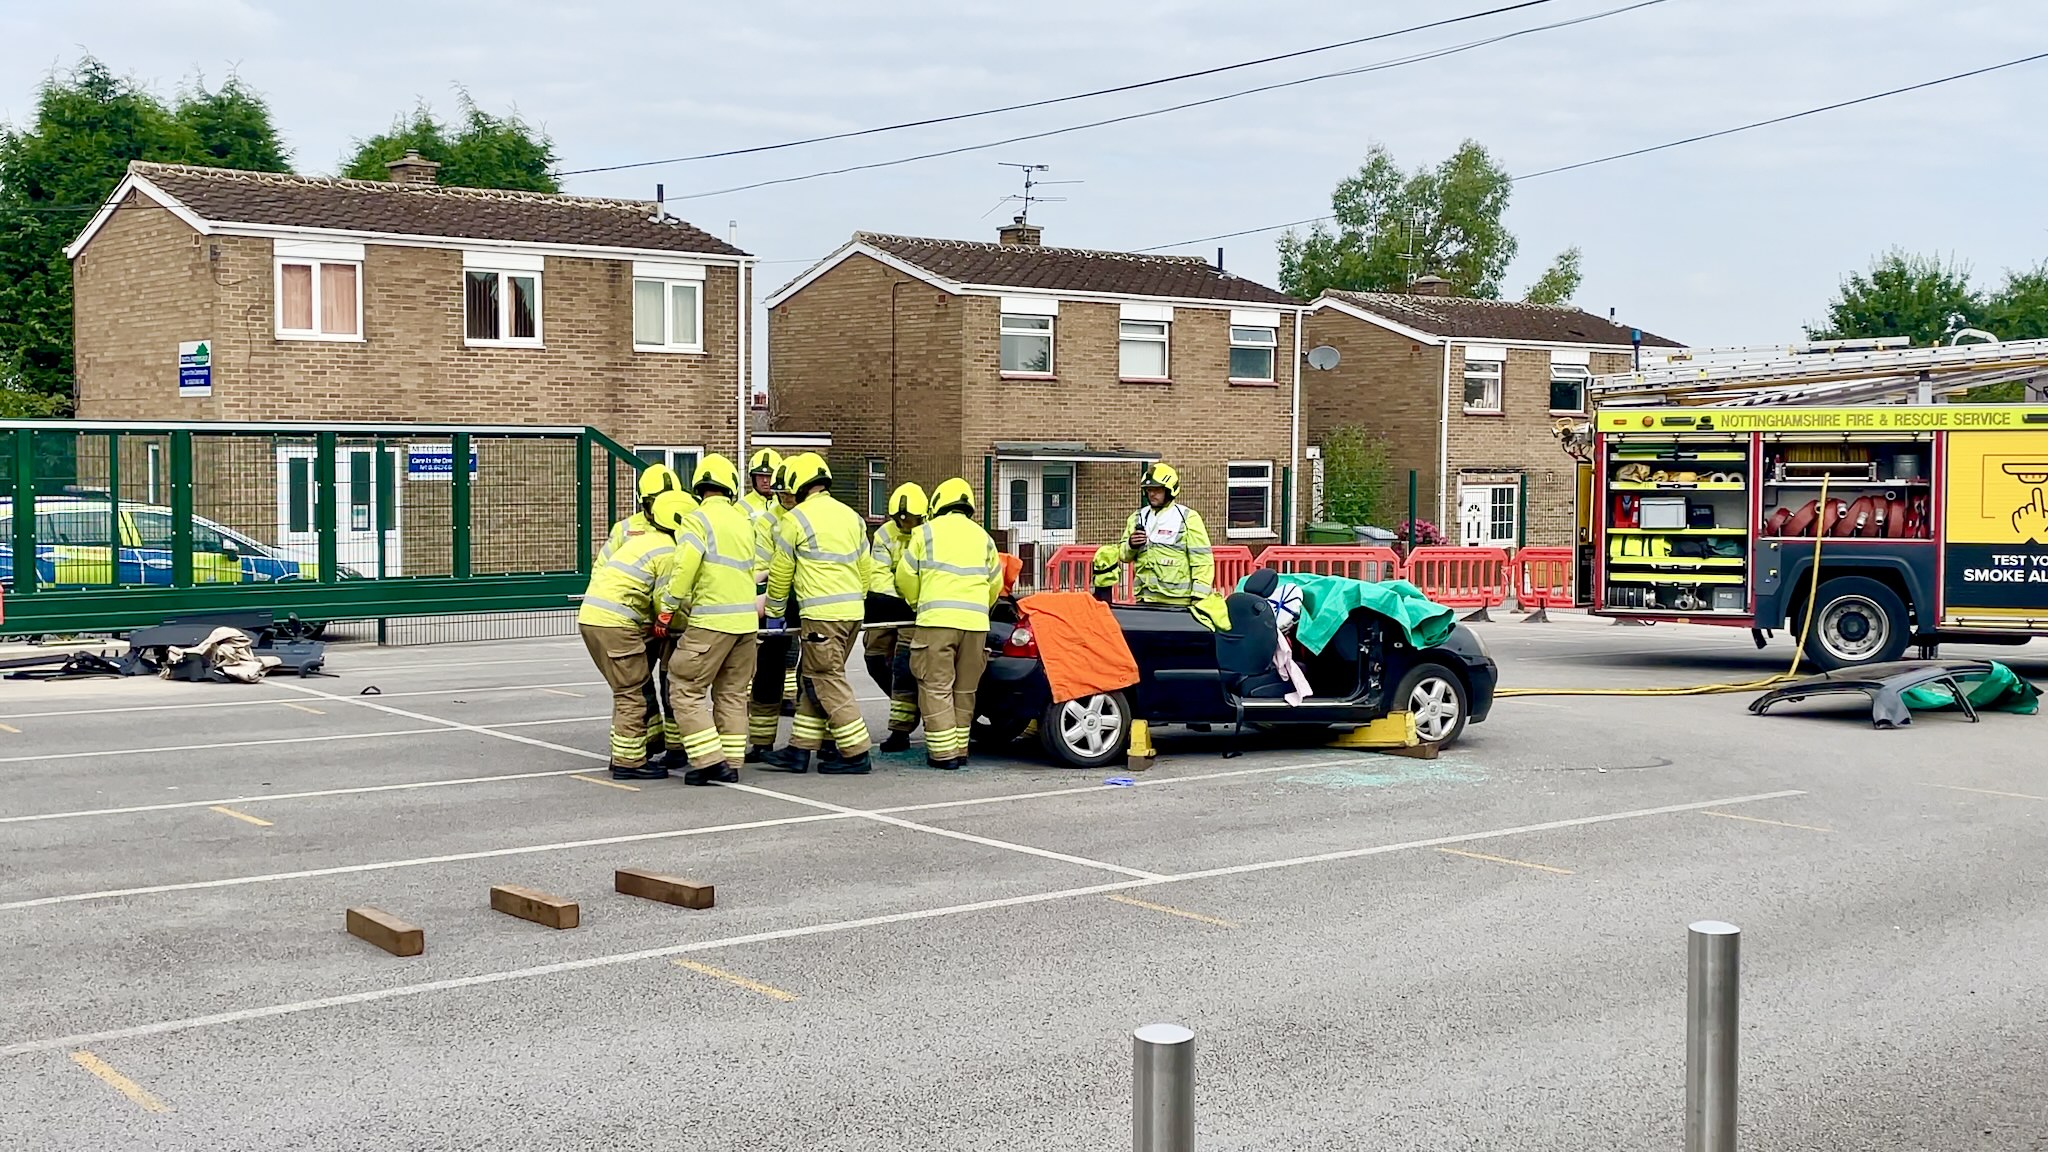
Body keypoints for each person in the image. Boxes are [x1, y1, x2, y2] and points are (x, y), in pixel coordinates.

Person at [760, 453, 875, 774]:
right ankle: (799, 750)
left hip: (821, 615)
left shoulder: (794, 520)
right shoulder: (852, 517)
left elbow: (781, 573)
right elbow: (865, 568)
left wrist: (774, 612)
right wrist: (857, 602)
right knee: (814, 678)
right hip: (851, 614)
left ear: (799, 486)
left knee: (826, 679)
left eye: (786, 493)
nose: (786, 500)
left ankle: (856, 752)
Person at [655, 455, 759, 786]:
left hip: (711, 621)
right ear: (731, 486)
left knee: (684, 687)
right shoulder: (744, 520)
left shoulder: (696, 520)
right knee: (732, 692)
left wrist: (667, 608)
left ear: (700, 487)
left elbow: (685, 566)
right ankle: (731, 763)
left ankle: (708, 761)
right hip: (745, 623)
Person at [578, 489, 689, 780]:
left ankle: (626, 753)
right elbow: (666, 606)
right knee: (631, 693)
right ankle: (629, 763)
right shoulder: (669, 553)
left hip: (594, 619)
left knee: (627, 688)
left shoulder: (644, 541)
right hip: (617, 624)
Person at [897, 477, 1002, 770]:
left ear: (938, 504)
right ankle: (960, 749)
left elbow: (904, 578)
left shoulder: (925, 533)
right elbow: (995, 583)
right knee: (964, 688)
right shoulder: (984, 537)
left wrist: (919, 604)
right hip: (976, 624)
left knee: (936, 686)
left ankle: (944, 755)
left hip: (937, 622)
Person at [601, 463, 694, 758]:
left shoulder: (683, 526)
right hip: (637, 623)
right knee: (637, 685)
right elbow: (603, 571)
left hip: (671, 622)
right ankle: (648, 741)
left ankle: (676, 746)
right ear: (644, 501)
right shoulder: (625, 530)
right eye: (657, 500)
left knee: (672, 684)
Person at [745, 458, 803, 760]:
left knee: (816, 673)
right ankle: (762, 742)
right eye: (781, 495)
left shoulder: (812, 517)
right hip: (777, 600)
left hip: (812, 601)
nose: (785, 500)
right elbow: (763, 564)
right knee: (768, 670)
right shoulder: (768, 521)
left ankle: (820, 741)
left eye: (790, 495)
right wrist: (767, 600)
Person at [866, 482, 927, 753]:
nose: (905, 524)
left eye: (910, 519)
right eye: (900, 519)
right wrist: (896, 603)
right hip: (892, 605)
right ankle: (909, 707)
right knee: (874, 658)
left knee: (904, 665)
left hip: (919, 608)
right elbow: (877, 572)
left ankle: (900, 731)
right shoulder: (883, 535)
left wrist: (912, 602)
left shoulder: (928, 534)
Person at [1118, 462, 1214, 607]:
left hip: (1179, 601)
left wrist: (1199, 597)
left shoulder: (1187, 517)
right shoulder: (1137, 517)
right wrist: (1131, 545)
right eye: (1149, 490)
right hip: (1144, 599)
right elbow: (1124, 556)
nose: (1151, 494)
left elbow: (1202, 561)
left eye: (1157, 490)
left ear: (1170, 490)